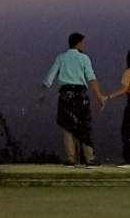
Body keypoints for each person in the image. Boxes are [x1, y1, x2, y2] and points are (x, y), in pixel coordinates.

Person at [41, 32, 107, 168]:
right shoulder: (84, 58)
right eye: (83, 42)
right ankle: (89, 158)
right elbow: (91, 78)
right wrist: (99, 96)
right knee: (84, 125)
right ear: (78, 43)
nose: (84, 45)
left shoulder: (61, 58)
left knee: (68, 126)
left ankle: (71, 159)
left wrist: (42, 92)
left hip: (66, 95)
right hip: (80, 95)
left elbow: (50, 77)